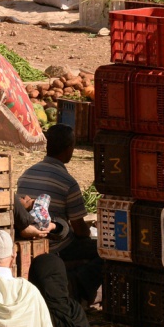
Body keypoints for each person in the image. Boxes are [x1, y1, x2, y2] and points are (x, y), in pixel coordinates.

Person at [17, 126, 99, 301]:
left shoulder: (25, 174)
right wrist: (91, 232)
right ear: (70, 148)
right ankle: (79, 286)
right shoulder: (68, 183)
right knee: (103, 252)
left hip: (28, 241)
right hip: (55, 245)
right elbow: (80, 231)